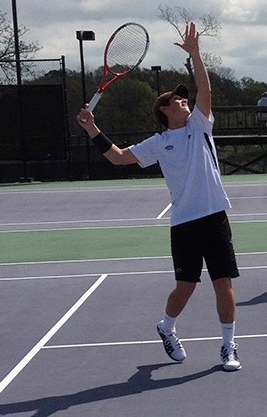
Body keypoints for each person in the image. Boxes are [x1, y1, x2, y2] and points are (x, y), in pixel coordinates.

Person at [75, 22, 241, 372]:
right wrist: (92, 128)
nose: (184, 99)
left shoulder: (200, 125)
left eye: (185, 97)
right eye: (176, 99)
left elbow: (204, 90)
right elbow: (118, 157)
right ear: (164, 110)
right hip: (184, 223)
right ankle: (167, 327)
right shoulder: (158, 143)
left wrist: (195, 54)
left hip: (214, 217)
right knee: (185, 286)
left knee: (222, 282)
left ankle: (228, 346)